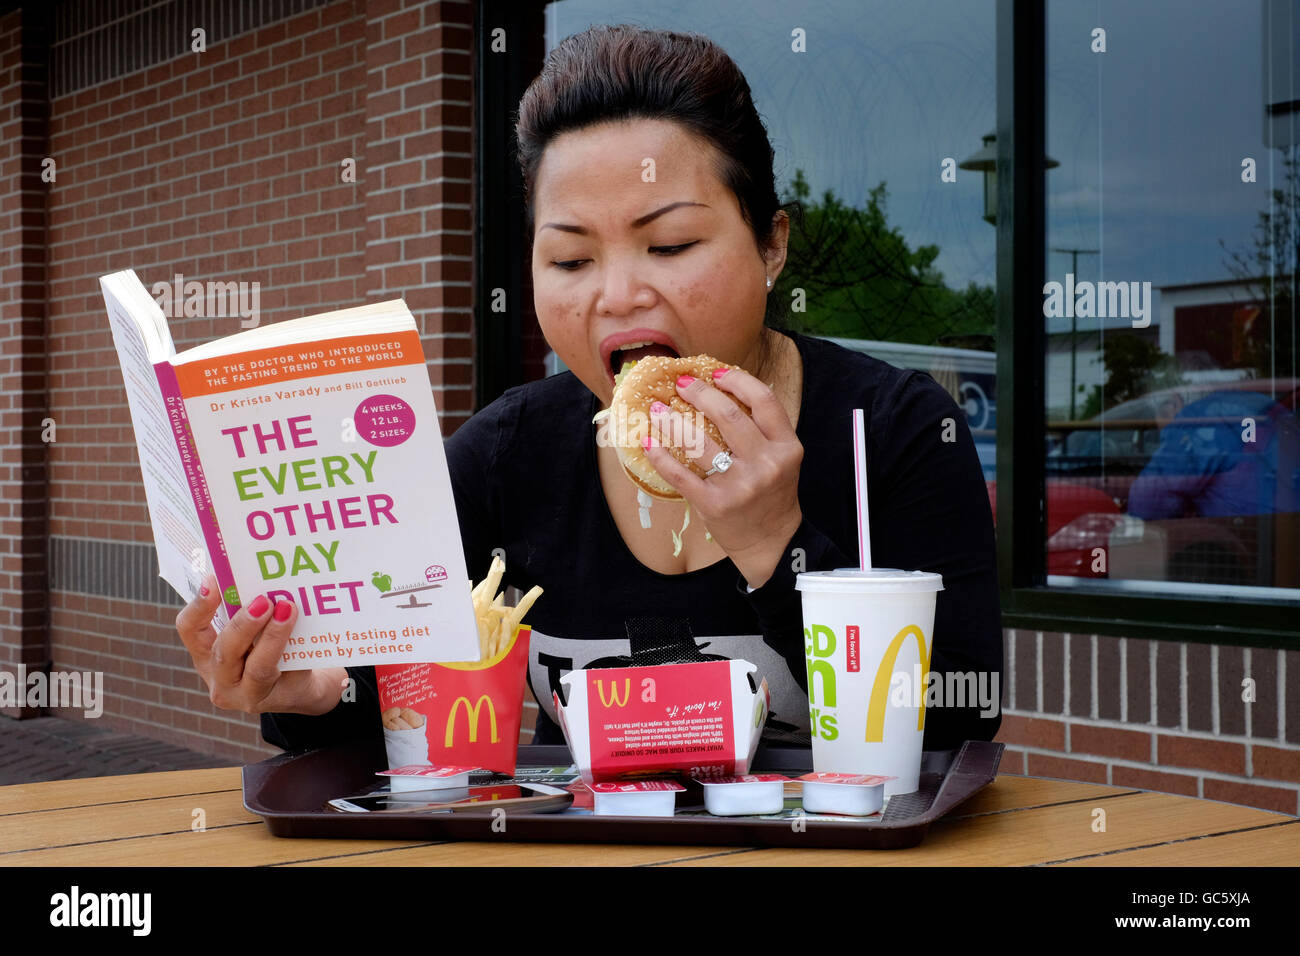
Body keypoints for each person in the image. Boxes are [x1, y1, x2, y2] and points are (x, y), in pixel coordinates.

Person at [174, 24, 1002, 755]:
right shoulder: (504, 458)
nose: (616, 295)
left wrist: (774, 546)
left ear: (771, 244)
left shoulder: (890, 432)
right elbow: (378, 714)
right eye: (570, 259)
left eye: (671, 243)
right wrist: (313, 694)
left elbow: (961, 719)